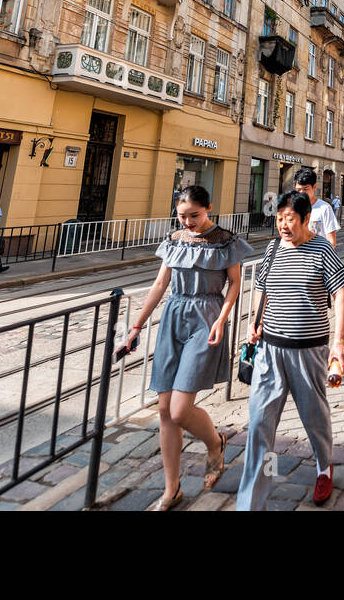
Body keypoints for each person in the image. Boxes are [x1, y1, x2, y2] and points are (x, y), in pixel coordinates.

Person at [119, 186, 251, 510]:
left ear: (209, 208)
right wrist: (135, 326)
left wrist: (221, 320)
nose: (188, 222)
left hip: (206, 320)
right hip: (173, 320)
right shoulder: (174, 240)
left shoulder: (225, 241)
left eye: (194, 215)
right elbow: (160, 284)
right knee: (165, 412)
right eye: (182, 216)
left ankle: (215, 443)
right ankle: (172, 490)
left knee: (179, 410)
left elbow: (234, 282)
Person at [237, 191, 344, 510]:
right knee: (260, 422)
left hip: (308, 350)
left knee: (314, 418)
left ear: (305, 220)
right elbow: (261, 286)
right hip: (270, 349)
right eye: (279, 219)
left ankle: (324, 466)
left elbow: (341, 295)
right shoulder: (273, 248)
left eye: (289, 219)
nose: (283, 225)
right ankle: (252, 500)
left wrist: (339, 340)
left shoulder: (322, 250)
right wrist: (253, 322)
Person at [295, 167, 339, 246]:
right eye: (298, 190)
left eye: (305, 189)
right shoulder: (293, 208)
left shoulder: (325, 208)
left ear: (314, 187)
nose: (302, 193)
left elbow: (332, 241)